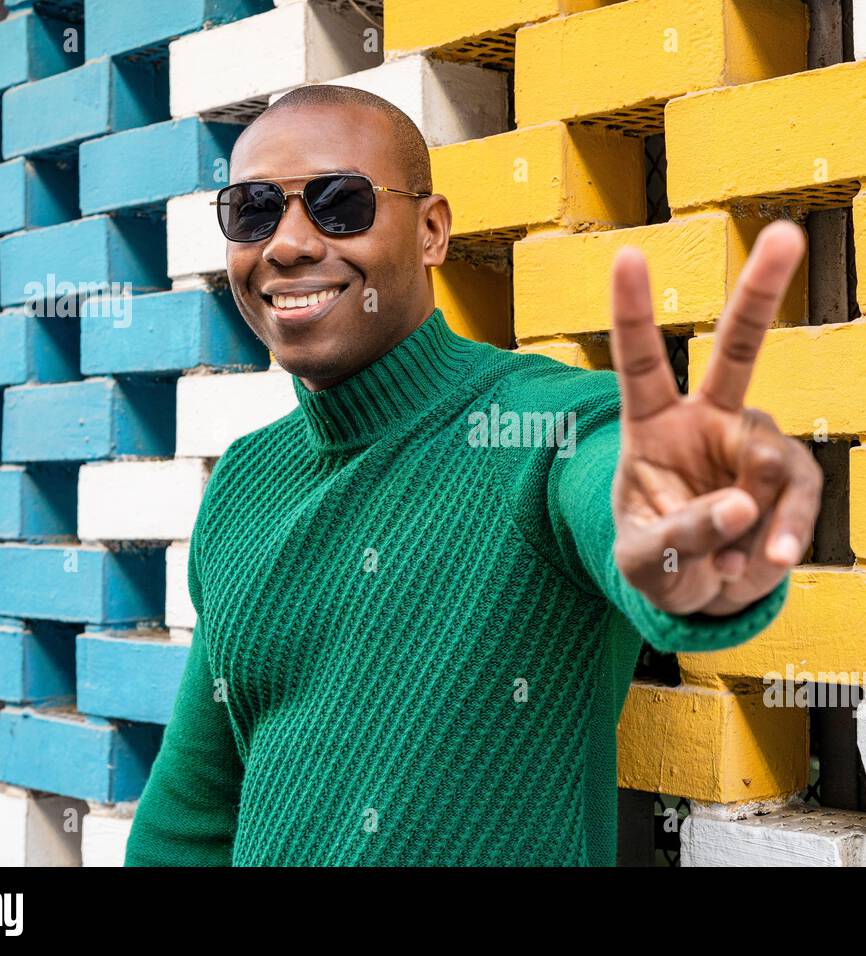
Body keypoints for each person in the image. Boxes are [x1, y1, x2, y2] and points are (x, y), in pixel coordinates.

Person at [124, 84, 821, 867]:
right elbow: (190, 819)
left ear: (430, 231)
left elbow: (615, 486)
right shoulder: (247, 483)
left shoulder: (547, 425)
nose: (286, 244)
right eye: (253, 210)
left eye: (339, 204)